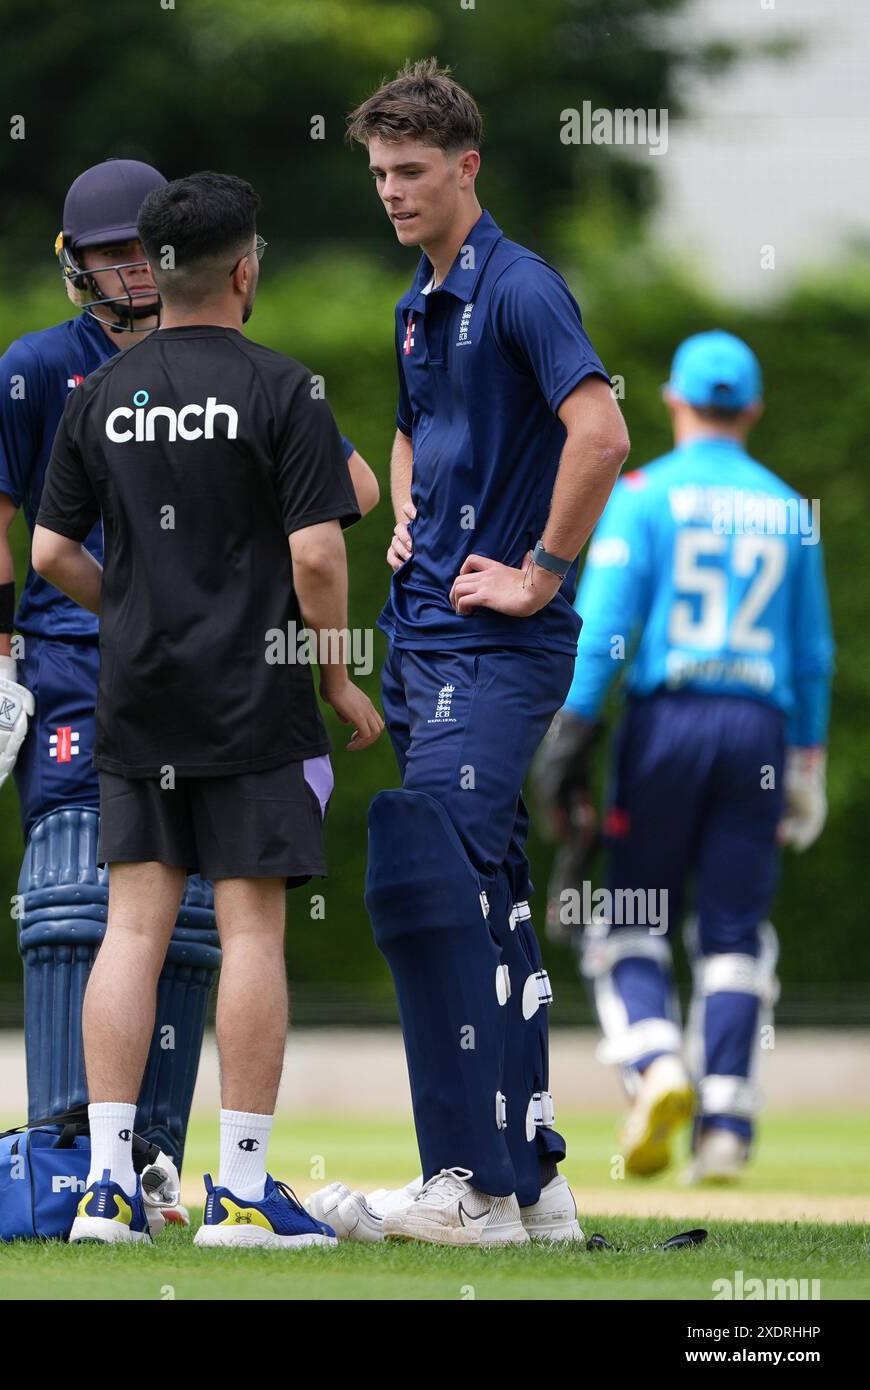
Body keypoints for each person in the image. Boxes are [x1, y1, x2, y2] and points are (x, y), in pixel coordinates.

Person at [0, 159, 376, 1212]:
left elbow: (43, 547)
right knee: (249, 932)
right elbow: (326, 543)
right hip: (248, 697)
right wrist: (337, 674)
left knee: (128, 929)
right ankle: (243, 1191)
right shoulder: (282, 386)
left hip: (133, 691)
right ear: (245, 269)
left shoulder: (102, 394)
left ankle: (103, 1185)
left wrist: (131, 608)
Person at [342, 59, 629, 1246]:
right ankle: (534, 1179)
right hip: (424, 635)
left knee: (432, 885)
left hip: (496, 648)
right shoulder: (419, 303)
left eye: (411, 172)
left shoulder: (520, 289)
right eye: (378, 174)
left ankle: (465, 1181)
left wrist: (541, 574)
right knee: (494, 900)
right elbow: (413, 436)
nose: (393, 193)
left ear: (467, 166)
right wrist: (408, 511)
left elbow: (602, 433)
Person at [532, 332, 834, 1184]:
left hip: (668, 723)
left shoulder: (646, 493)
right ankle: (728, 1123)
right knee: (735, 930)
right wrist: (806, 763)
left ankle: (658, 1065)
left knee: (630, 908)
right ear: (756, 409)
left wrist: (571, 730)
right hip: (761, 731)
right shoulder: (788, 508)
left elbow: (606, 626)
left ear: (673, 401)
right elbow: (812, 653)